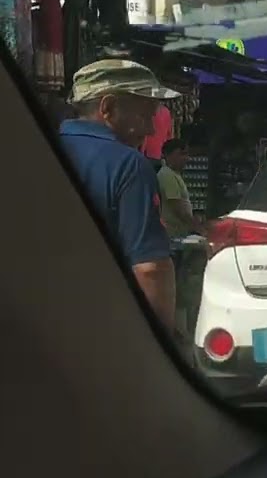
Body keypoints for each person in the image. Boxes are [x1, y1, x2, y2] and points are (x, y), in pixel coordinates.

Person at [58, 59, 179, 332]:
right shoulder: (129, 165)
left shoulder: (30, 148)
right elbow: (150, 270)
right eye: (145, 116)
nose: (150, 130)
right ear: (108, 108)